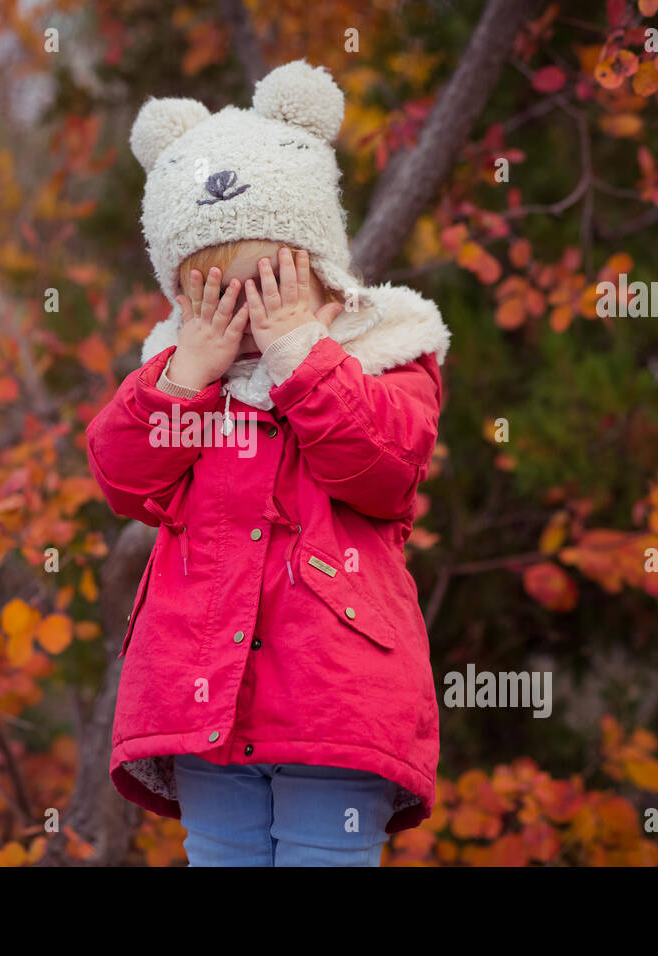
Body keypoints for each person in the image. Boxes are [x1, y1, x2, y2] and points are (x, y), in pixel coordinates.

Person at [86, 59, 451, 866]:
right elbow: (122, 478)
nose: (247, 324)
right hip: (203, 689)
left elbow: (381, 466)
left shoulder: (386, 355)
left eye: (269, 293)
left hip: (336, 694)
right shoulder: (184, 382)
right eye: (217, 300)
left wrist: (301, 356)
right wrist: (186, 374)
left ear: (318, 269)